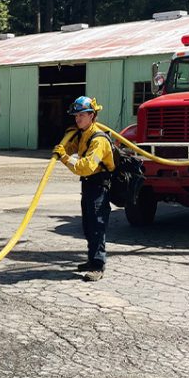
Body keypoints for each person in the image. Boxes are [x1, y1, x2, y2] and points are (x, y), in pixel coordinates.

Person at [52, 96, 116, 282]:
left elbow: (86, 166)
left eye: (81, 115)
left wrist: (64, 158)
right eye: (76, 115)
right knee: (88, 225)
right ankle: (91, 261)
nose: (77, 119)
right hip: (88, 184)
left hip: (99, 185)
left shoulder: (99, 140)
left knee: (97, 226)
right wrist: (64, 144)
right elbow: (71, 147)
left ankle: (98, 266)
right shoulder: (83, 134)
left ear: (92, 116)